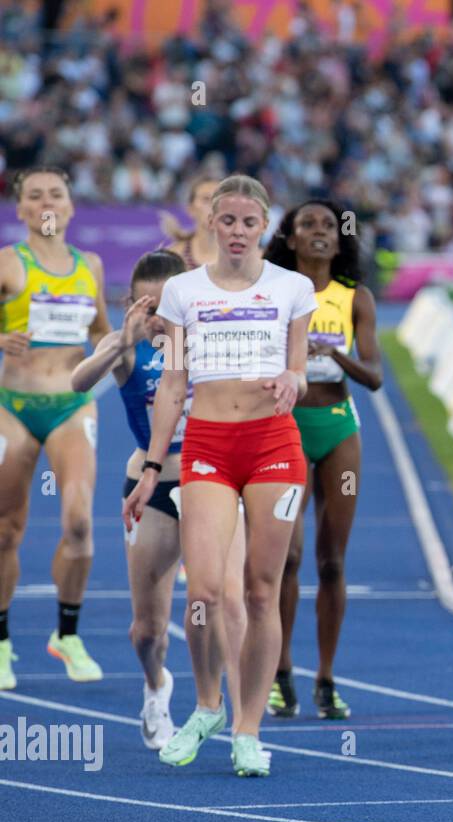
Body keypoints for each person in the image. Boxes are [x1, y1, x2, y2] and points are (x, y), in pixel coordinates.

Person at [124, 174, 316, 777]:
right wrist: (153, 467)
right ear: (211, 224)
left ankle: (249, 729)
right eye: (227, 221)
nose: (237, 232)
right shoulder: (183, 292)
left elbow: (299, 371)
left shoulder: (293, 287)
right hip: (207, 444)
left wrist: (294, 381)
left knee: (261, 590)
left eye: (248, 222)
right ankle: (207, 704)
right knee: (204, 591)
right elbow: (174, 384)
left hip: (274, 447)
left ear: (265, 227)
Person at [71, 250, 248, 747]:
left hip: (211, 481)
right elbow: (79, 382)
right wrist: (121, 341)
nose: (158, 320)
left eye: (167, 307)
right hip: (149, 488)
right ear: (131, 304)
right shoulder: (125, 346)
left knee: (224, 603)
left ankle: (237, 721)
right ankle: (156, 686)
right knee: (147, 631)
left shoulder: (204, 341)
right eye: (148, 309)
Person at [263, 200, 383, 719]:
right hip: (285, 426)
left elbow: (374, 377)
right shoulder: (273, 293)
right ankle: (281, 673)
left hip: (338, 428)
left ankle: (327, 680)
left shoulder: (356, 298)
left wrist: (332, 353)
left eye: (328, 226)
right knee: (286, 559)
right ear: (289, 239)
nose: (318, 232)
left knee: (331, 563)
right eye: (307, 225)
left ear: (339, 240)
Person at [0, 166, 112, 689]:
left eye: (56, 194)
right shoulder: (8, 264)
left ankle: (67, 635)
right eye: (35, 195)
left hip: (72, 406)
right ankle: (1, 643)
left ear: (70, 207)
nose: (46, 202)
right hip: (13, 406)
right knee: (5, 531)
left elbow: (102, 333)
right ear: (20, 209)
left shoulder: (89, 266)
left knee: (80, 524)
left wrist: (132, 341)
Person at [161, 176, 222, 269]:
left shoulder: (244, 257)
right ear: (191, 209)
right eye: (206, 199)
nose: (214, 206)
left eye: (219, 199)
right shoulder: (172, 257)